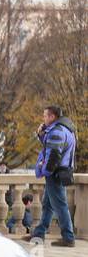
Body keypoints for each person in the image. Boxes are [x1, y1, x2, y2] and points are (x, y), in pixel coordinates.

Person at [29, 105, 77, 248]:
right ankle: (39, 233)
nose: (43, 118)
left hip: (55, 173)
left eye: (45, 116)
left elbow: (54, 155)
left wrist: (45, 171)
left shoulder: (57, 131)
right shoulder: (63, 129)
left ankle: (68, 237)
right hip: (59, 171)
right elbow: (51, 147)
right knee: (48, 205)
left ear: (52, 117)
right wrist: (42, 134)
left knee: (60, 205)